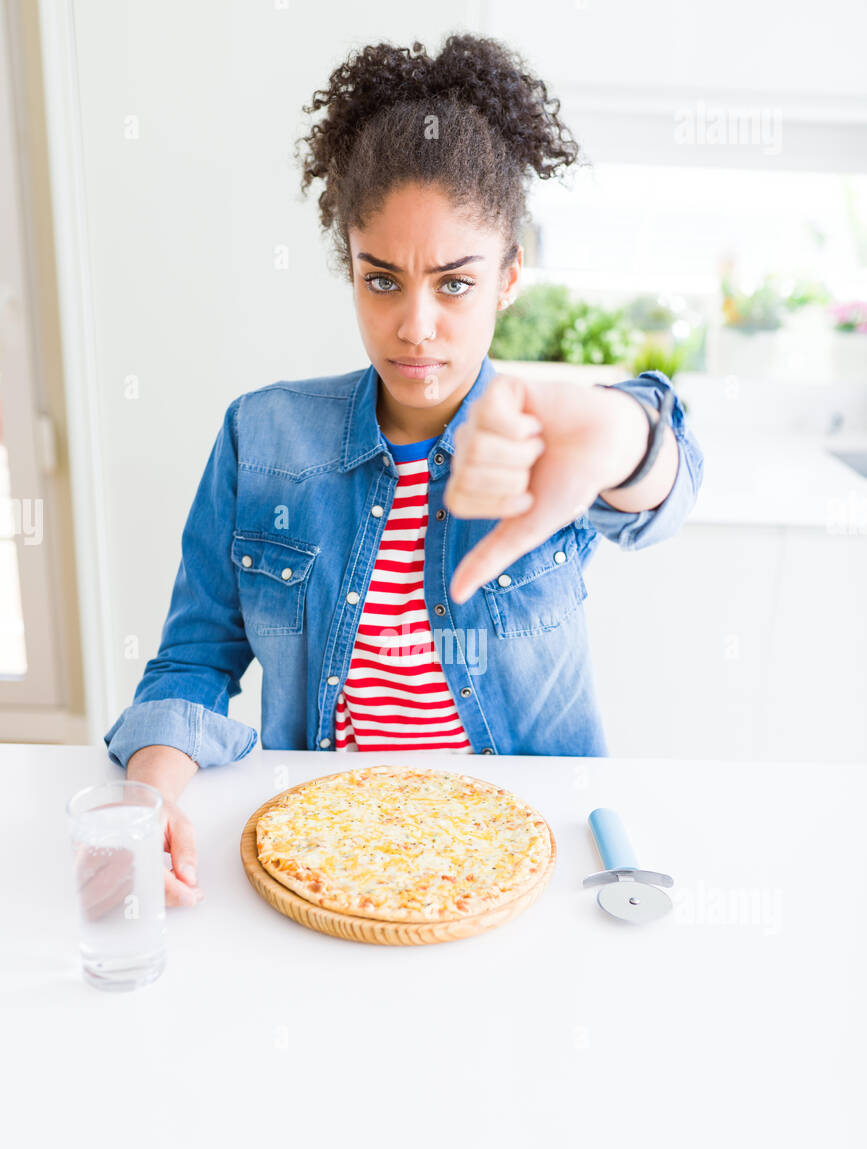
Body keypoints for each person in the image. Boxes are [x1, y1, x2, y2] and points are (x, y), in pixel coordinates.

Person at [104, 34, 704, 909]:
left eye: (454, 284)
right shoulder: (262, 435)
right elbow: (195, 659)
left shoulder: (546, 439)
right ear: (347, 266)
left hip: (527, 857)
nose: (415, 326)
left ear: (507, 278)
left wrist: (627, 436)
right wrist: (147, 794)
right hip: (326, 847)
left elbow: (658, 487)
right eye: (381, 281)